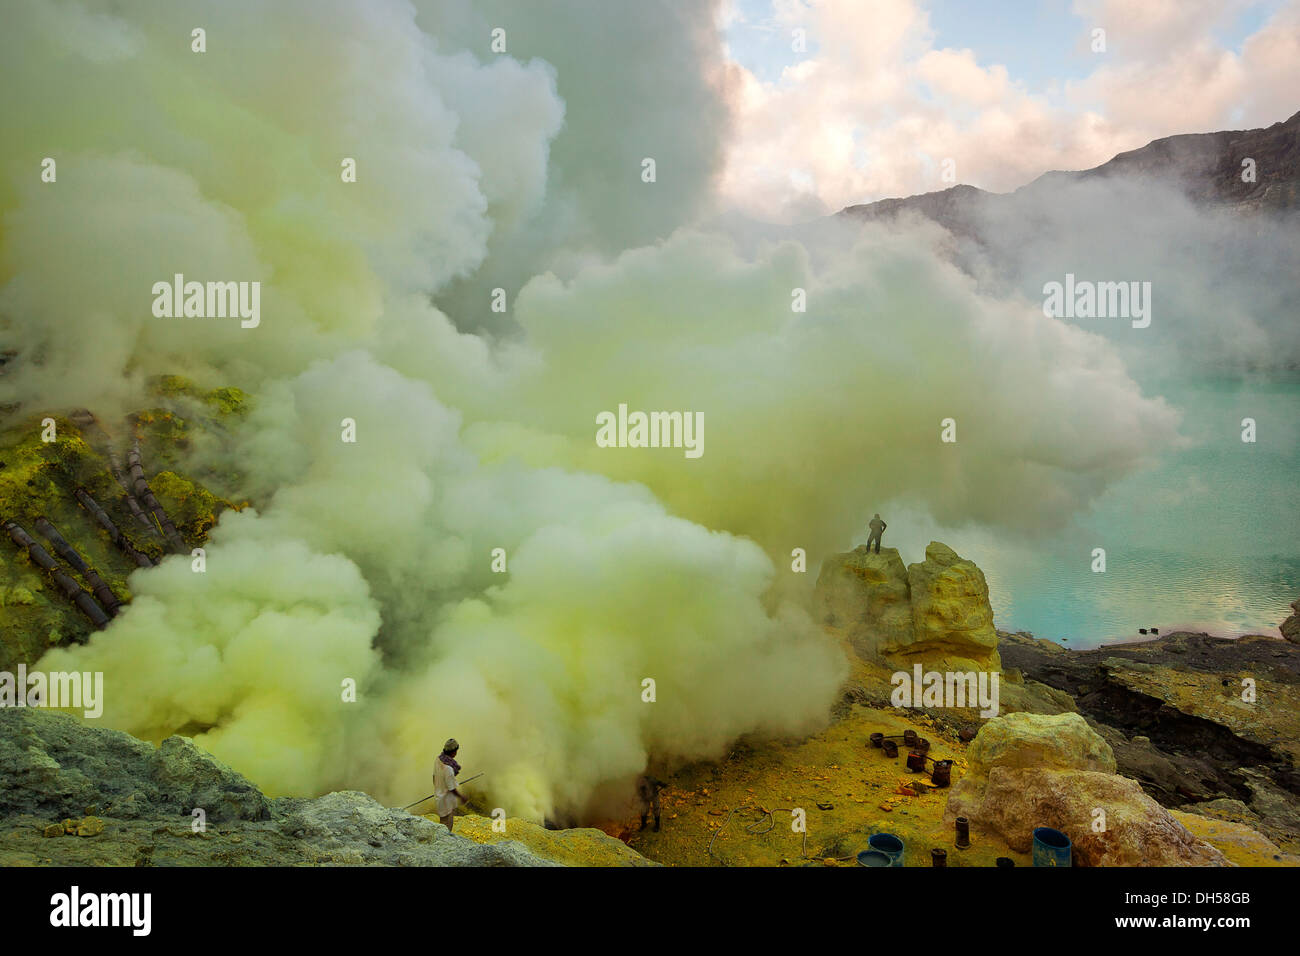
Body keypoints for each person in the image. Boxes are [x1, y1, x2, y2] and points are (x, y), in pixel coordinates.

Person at [433, 738, 465, 832]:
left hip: (439, 798)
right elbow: (452, 789)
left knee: (442, 822)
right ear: (453, 752)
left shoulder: (438, 760)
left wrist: (438, 789)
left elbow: (434, 778)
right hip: (447, 803)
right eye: (456, 751)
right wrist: (461, 797)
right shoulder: (449, 769)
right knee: (447, 826)